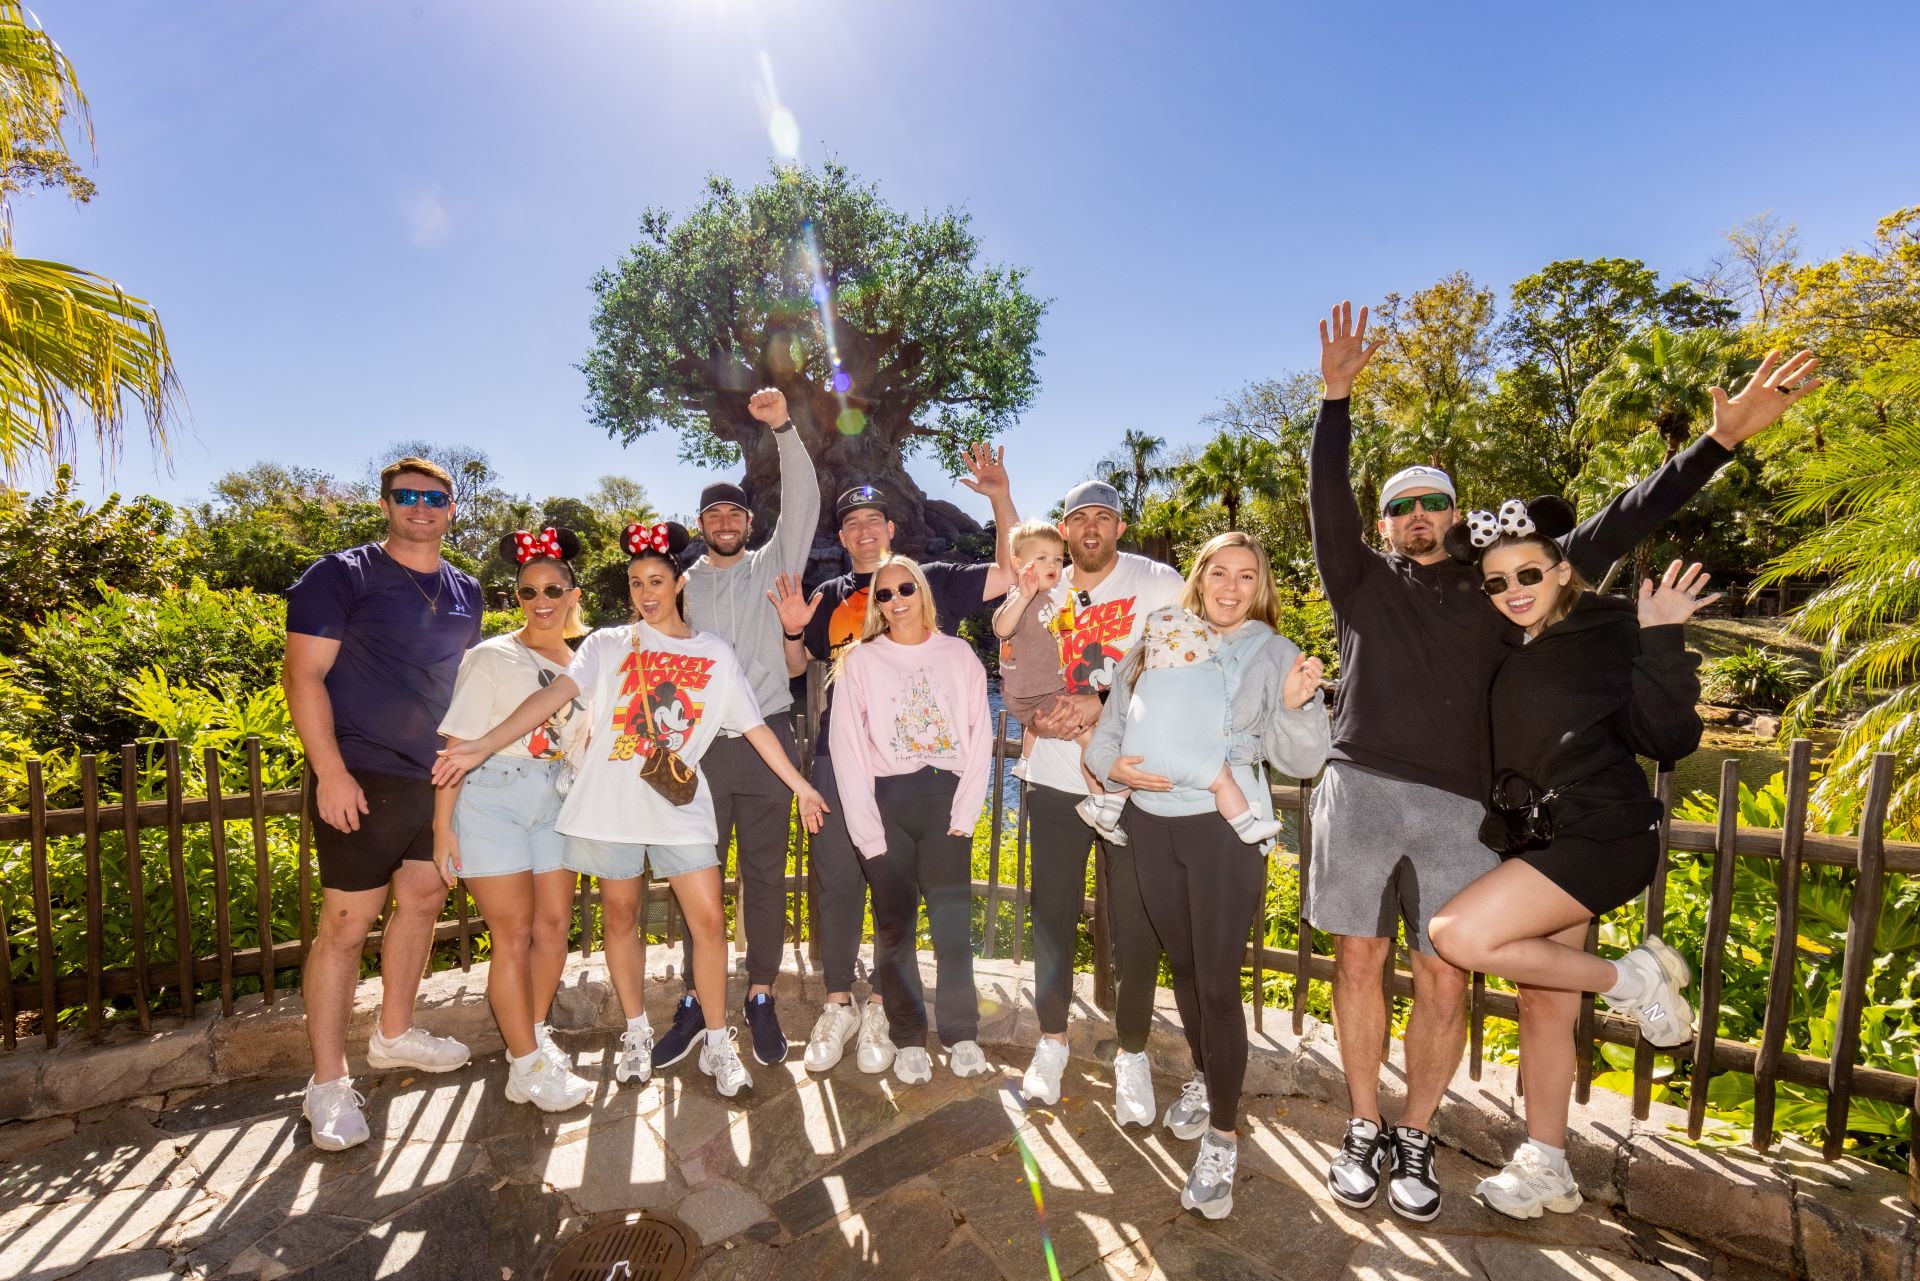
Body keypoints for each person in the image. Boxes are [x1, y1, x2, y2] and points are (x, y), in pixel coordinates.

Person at [1306, 300, 1820, 1222]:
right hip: (1375, 791)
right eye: (1400, 506)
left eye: (1433, 502)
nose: (1418, 517)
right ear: (1383, 525)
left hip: (1465, 805)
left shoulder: (1506, 581)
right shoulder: (1361, 580)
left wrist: (1717, 442)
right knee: (1363, 959)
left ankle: (1417, 1134)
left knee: (1448, 965)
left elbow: (1624, 519)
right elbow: (1325, 503)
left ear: (1457, 516)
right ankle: (1366, 1125)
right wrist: (1334, 402)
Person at [1424, 504, 1765, 1218]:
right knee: (1544, 1002)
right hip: (1533, 838)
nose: (1513, 590)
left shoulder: (1608, 628)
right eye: (1496, 582)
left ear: (1561, 570)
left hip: (1601, 832)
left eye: (1528, 574)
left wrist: (1663, 634)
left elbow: (1668, 739)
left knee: (1458, 933)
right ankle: (1548, 1164)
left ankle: (1632, 978)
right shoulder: (1503, 645)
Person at [434, 522, 829, 1103]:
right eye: (636, 582)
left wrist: (800, 786)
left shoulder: (712, 653)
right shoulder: (607, 644)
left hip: (677, 805)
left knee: (708, 921)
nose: (646, 593)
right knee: (621, 918)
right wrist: (484, 744)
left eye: (657, 581)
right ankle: (637, 1030)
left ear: (679, 585)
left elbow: (753, 726)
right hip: (611, 806)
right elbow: (556, 694)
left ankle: (717, 1039)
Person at [1086, 531, 1330, 1220]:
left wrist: (1296, 704)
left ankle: (1223, 1134)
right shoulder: (1156, 638)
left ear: (1261, 587)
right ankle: (1204, 1074)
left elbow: (1304, 760)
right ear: (1198, 578)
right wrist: (1114, 766)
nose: (1230, 587)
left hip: (1223, 832)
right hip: (1151, 825)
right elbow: (1108, 732)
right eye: (1218, 572)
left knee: (1219, 983)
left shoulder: (1273, 652)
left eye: (1246, 576)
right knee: (1187, 969)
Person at [769, 458, 1018, 1076]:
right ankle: (842, 1005)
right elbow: (798, 671)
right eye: (851, 523)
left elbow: (1010, 573)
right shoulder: (829, 598)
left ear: (891, 529)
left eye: (873, 520)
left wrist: (1000, 498)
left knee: (921, 908)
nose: (864, 532)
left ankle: (891, 1011)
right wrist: (794, 632)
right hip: (844, 760)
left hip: (926, 779)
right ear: (842, 536)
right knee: (842, 883)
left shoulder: (932, 582)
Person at [284, 457, 483, 1151]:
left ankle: (394, 1034)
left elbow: (464, 687)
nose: (420, 507)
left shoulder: (467, 589)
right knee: (345, 924)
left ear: (452, 507)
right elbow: (303, 676)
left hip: (435, 778)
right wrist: (330, 772)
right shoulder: (340, 575)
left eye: (434, 497)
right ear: (385, 503)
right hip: (360, 776)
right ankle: (327, 1081)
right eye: (407, 496)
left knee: (423, 901)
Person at [1014, 480, 1184, 1123]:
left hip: (1131, 781)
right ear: (1063, 529)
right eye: (1078, 517)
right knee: (1051, 918)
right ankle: (1052, 1041)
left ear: (1119, 527)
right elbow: (1015, 660)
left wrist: (1104, 702)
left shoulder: (1157, 583)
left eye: (1103, 518)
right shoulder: (1043, 583)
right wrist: (1033, 715)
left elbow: (1184, 665)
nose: (1090, 528)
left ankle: (1132, 1053)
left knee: (1137, 926)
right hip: (1054, 778)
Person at [664, 386, 821, 1073]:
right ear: (700, 523)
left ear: (749, 522)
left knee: (763, 875)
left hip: (768, 741)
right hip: (697, 750)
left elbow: (804, 500)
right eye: (713, 513)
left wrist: (783, 427)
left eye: (735, 512)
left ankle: (760, 992)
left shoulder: (772, 566)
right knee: (694, 875)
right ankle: (695, 998)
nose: (725, 521)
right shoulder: (679, 586)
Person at [432, 527, 594, 1113]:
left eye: (553, 589)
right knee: (514, 933)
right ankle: (526, 1064)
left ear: (573, 595)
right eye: (528, 591)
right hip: (492, 796)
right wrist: (442, 827)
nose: (541, 600)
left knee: (553, 927)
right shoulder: (492, 656)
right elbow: (458, 744)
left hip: (557, 799)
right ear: (516, 598)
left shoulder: (585, 663)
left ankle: (531, 1039)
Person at [827, 556, 996, 1083]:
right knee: (895, 927)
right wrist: (867, 832)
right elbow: (847, 749)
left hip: (945, 801)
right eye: (884, 594)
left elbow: (981, 737)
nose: (896, 600)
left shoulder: (959, 654)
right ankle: (907, 1038)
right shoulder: (860, 661)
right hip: (888, 805)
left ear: (922, 591)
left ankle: (961, 1034)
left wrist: (965, 812)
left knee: (952, 928)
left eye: (905, 589)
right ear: (876, 605)